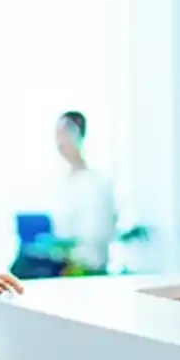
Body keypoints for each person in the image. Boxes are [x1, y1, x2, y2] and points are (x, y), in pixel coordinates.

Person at [50, 110, 116, 274]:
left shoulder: (96, 183)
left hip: (88, 269)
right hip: (64, 265)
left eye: (63, 135)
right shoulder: (65, 182)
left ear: (77, 136)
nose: (59, 142)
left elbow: (97, 234)